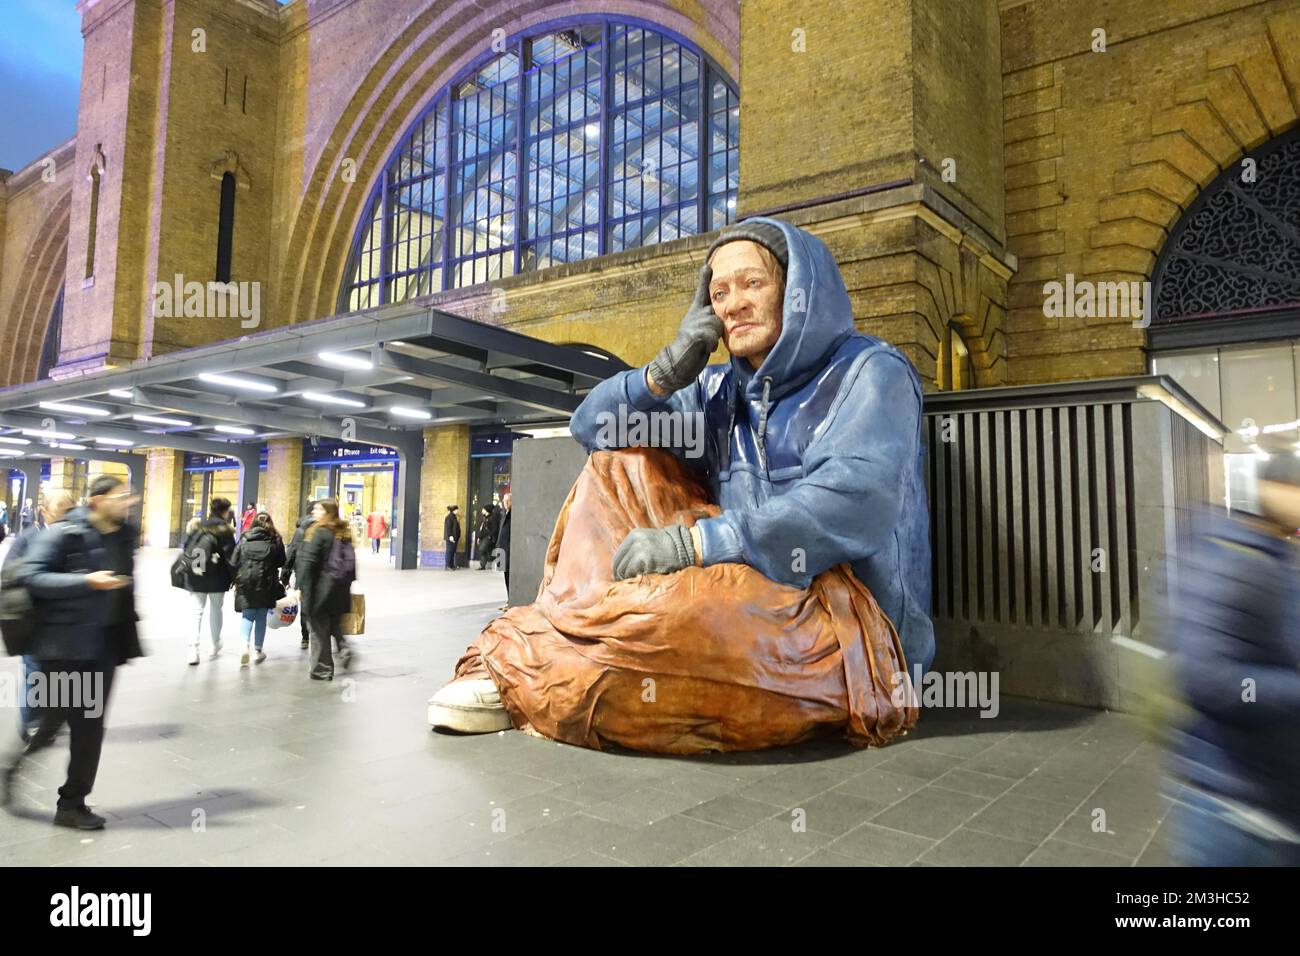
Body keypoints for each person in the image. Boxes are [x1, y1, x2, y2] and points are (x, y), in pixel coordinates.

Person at [429, 217, 927, 749]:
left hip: (845, 617)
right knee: (619, 462)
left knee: (680, 623)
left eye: (753, 284)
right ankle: (571, 642)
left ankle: (522, 668)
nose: (732, 304)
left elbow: (855, 503)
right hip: (739, 581)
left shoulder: (870, 371)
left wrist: (694, 543)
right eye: (719, 291)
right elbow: (592, 429)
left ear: (799, 290)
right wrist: (665, 371)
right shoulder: (715, 390)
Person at [1166, 435, 1300, 865]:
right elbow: (1207, 677)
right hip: (1233, 803)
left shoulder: (1281, 559)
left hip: (1272, 799)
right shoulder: (1231, 559)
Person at [0, 475, 142, 830]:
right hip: (64, 649)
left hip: (103, 650)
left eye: (129, 496)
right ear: (96, 501)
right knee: (50, 726)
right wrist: (86, 581)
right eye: (120, 496)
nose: (128, 502)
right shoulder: (63, 534)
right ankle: (10, 770)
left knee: (90, 730)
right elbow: (32, 576)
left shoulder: (124, 536)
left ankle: (72, 804)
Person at [5, 491, 78, 742]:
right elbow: (9, 573)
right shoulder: (28, 538)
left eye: (70, 511)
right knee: (34, 671)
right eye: (62, 512)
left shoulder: (74, 538)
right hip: (33, 617)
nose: (67, 517)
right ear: (45, 512)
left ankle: (48, 718)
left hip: (63, 620)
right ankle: (31, 722)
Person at [296, 498, 356, 680]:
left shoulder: (319, 532)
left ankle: (322, 669)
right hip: (340, 589)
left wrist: (299, 586)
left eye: (318, 509)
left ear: (327, 512)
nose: (314, 512)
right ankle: (344, 648)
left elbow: (309, 561)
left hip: (320, 589)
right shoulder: (343, 532)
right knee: (334, 623)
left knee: (318, 629)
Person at [180, 496, 237, 665]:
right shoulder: (224, 530)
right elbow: (231, 557)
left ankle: (193, 649)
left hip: (197, 574)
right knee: (216, 609)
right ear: (225, 511)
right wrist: (235, 578)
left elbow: (187, 548)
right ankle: (214, 643)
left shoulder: (199, 526)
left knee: (196, 611)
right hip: (217, 577)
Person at [231, 512, 286, 666]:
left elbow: (234, 560)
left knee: (248, 614)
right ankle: (257, 651)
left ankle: (244, 646)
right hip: (267, 582)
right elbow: (282, 561)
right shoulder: (275, 539)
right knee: (261, 616)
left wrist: (235, 579)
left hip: (246, 581)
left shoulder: (244, 538)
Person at [282, 503, 316, 651]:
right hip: (320, 573)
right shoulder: (325, 529)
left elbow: (291, 551)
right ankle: (318, 634)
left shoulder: (300, 530)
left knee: (305, 605)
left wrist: (285, 573)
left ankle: (305, 637)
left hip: (303, 572)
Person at [475, 505, 496, 570]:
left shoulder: (492, 518)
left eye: (483, 509)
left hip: (487, 537)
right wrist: (479, 537)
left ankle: (490, 559)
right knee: (482, 550)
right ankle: (482, 565)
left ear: (487, 510)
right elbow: (481, 529)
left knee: (482, 549)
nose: (482, 510)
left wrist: (490, 536)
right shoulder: (484, 518)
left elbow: (495, 529)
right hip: (483, 537)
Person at [443, 504, 460, 570]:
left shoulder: (454, 517)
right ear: (453, 510)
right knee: (449, 551)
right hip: (450, 538)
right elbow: (448, 528)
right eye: (456, 510)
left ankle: (451, 565)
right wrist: (450, 536)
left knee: (452, 551)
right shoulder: (449, 517)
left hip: (454, 537)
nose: (457, 511)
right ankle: (447, 566)